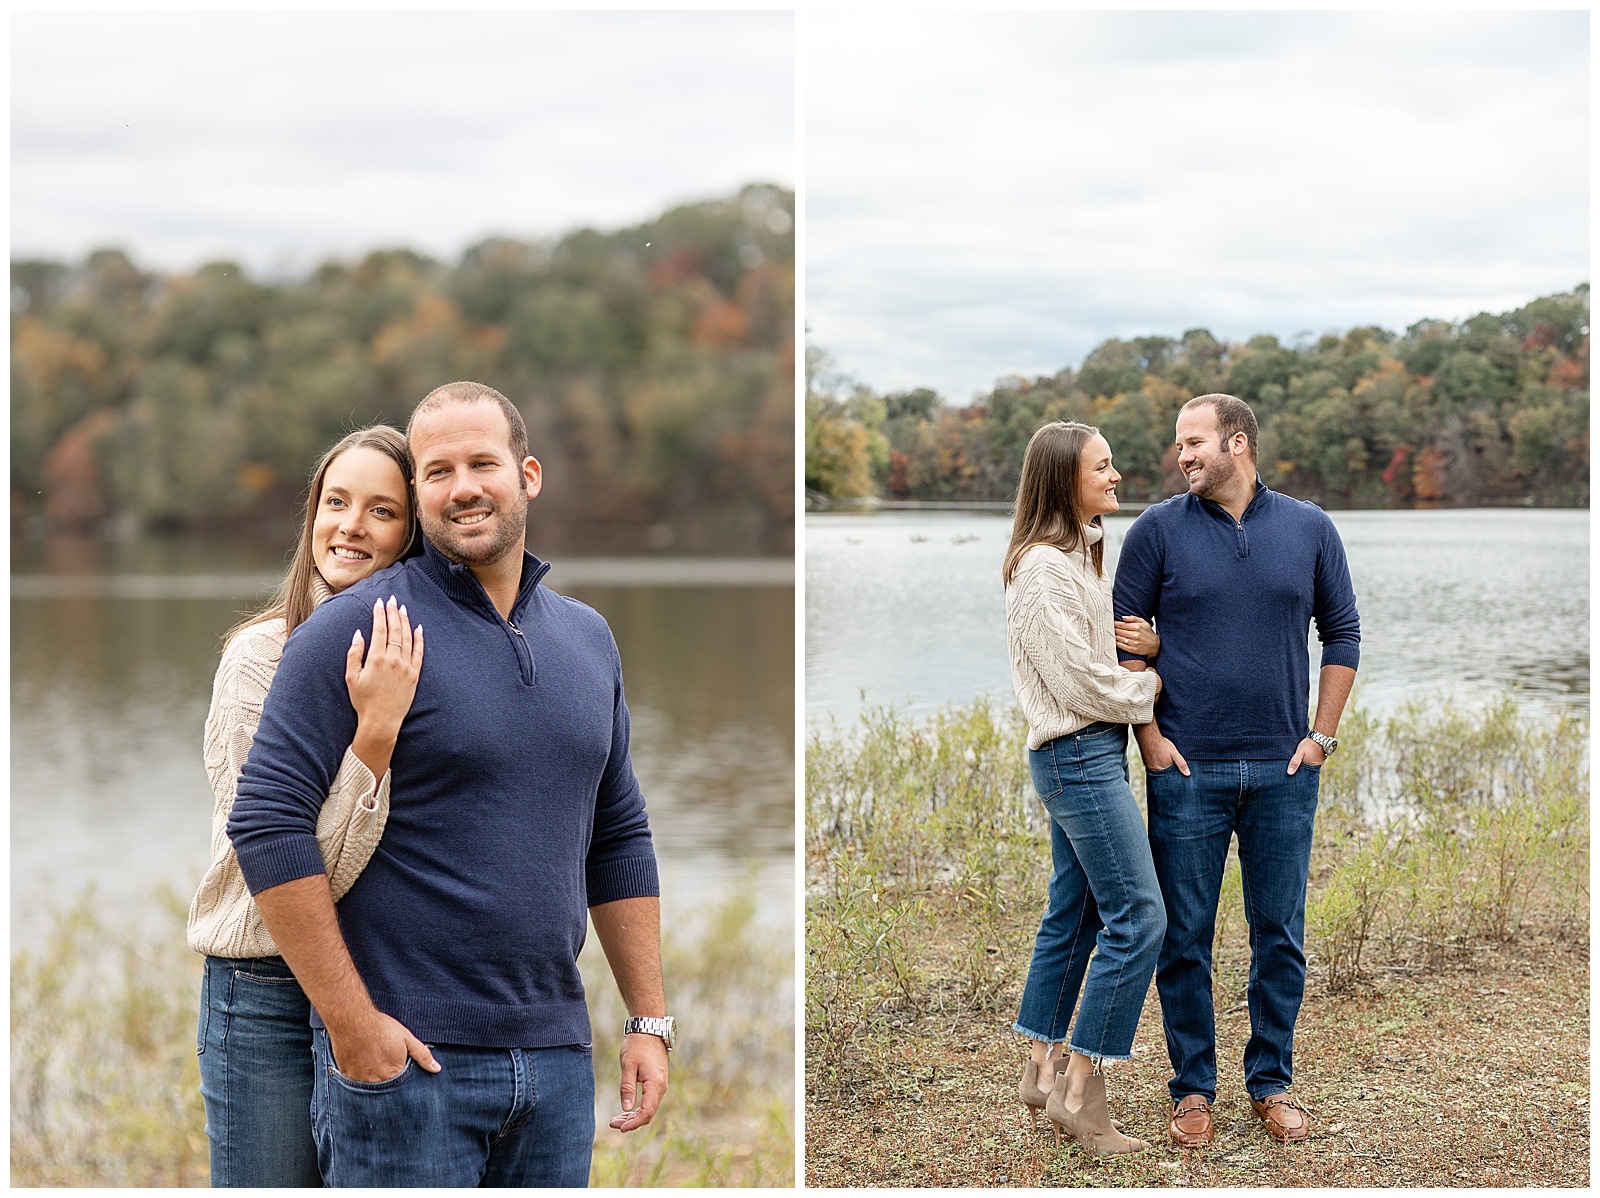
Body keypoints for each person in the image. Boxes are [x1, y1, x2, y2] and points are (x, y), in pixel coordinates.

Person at [227, 381, 672, 1187]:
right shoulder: (356, 628)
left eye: (482, 463)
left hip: (557, 1061)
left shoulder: (588, 639)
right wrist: (353, 1027)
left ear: (527, 474)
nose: (463, 487)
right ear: (420, 495)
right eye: (437, 472)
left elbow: (619, 834)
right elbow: (266, 826)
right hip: (409, 1069)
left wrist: (648, 1020)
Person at [1113, 393, 1360, 1147]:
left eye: (1194, 443)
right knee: (1183, 936)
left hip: (1286, 771)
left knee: (1279, 932)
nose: (1181, 456)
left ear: (1238, 444)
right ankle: (1192, 1090)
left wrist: (1320, 737)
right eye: (1179, 445)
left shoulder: (1311, 528)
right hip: (1188, 770)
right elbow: (1126, 644)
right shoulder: (1155, 531)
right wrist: (1149, 739)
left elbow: (1343, 632)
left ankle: (1271, 1082)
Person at [188, 425, 425, 1187]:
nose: (350, 525)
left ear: (413, 534)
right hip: (266, 989)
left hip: (384, 976)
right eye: (336, 501)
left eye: (382, 511)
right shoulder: (259, 658)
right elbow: (284, 854)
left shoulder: (418, 652)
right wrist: (376, 735)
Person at [1003, 420, 1167, 1156]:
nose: (1117, 475)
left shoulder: (1079, 558)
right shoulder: (1043, 569)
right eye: (1103, 465)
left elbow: (1097, 656)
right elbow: (1079, 682)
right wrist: (1151, 686)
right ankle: (1083, 1093)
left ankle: (1041, 1068)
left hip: (1087, 752)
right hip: (1078, 755)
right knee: (1139, 917)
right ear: (1064, 478)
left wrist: (1145, 649)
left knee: (1074, 913)